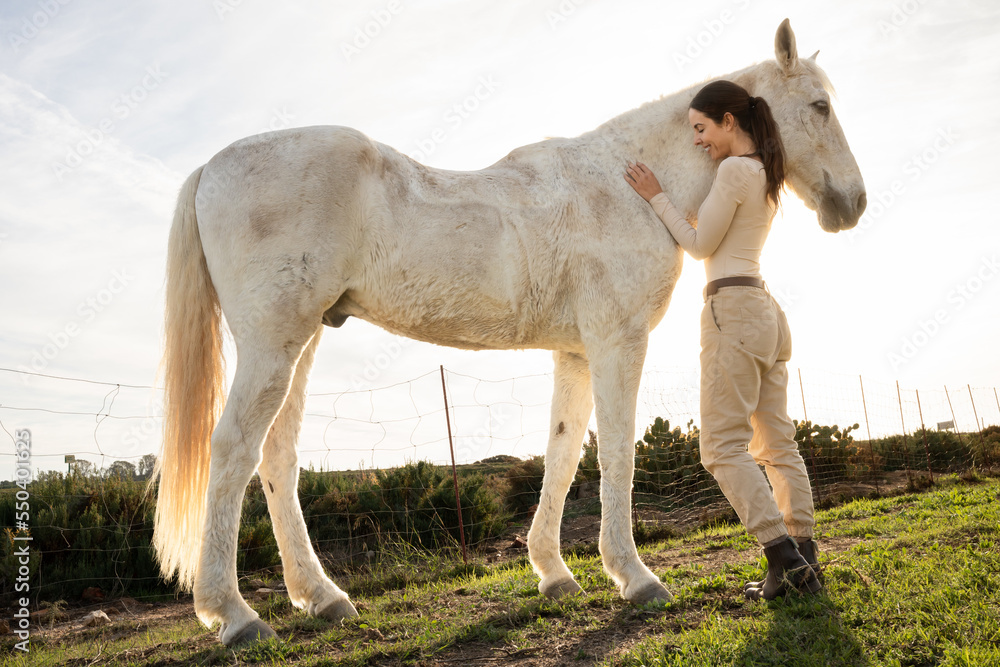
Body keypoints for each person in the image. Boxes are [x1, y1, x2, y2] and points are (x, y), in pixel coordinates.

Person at [624, 79, 821, 600]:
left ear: (728, 121)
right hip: (765, 311)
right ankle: (806, 562)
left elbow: (699, 243)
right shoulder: (764, 170)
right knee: (777, 444)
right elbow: (722, 234)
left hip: (732, 310)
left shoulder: (733, 170)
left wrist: (656, 196)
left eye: (701, 128)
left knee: (720, 448)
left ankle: (784, 559)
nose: (697, 140)